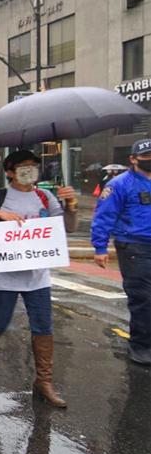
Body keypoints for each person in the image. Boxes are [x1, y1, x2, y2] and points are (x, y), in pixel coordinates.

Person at [0, 150, 79, 407]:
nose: (29, 171)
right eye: (23, 167)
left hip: (37, 275)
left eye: (33, 166)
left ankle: (44, 382)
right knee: (0, 321)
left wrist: (71, 205)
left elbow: (68, 227)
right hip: (3, 275)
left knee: (43, 325)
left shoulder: (45, 196)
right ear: (10, 172)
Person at [91, 138, 151, 366]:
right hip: (134, 247)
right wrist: (100, 247)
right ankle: (141, 347)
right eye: (146, 156)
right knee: (143, 298)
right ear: (133, 159)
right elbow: (104, 216)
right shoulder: (119, 185)